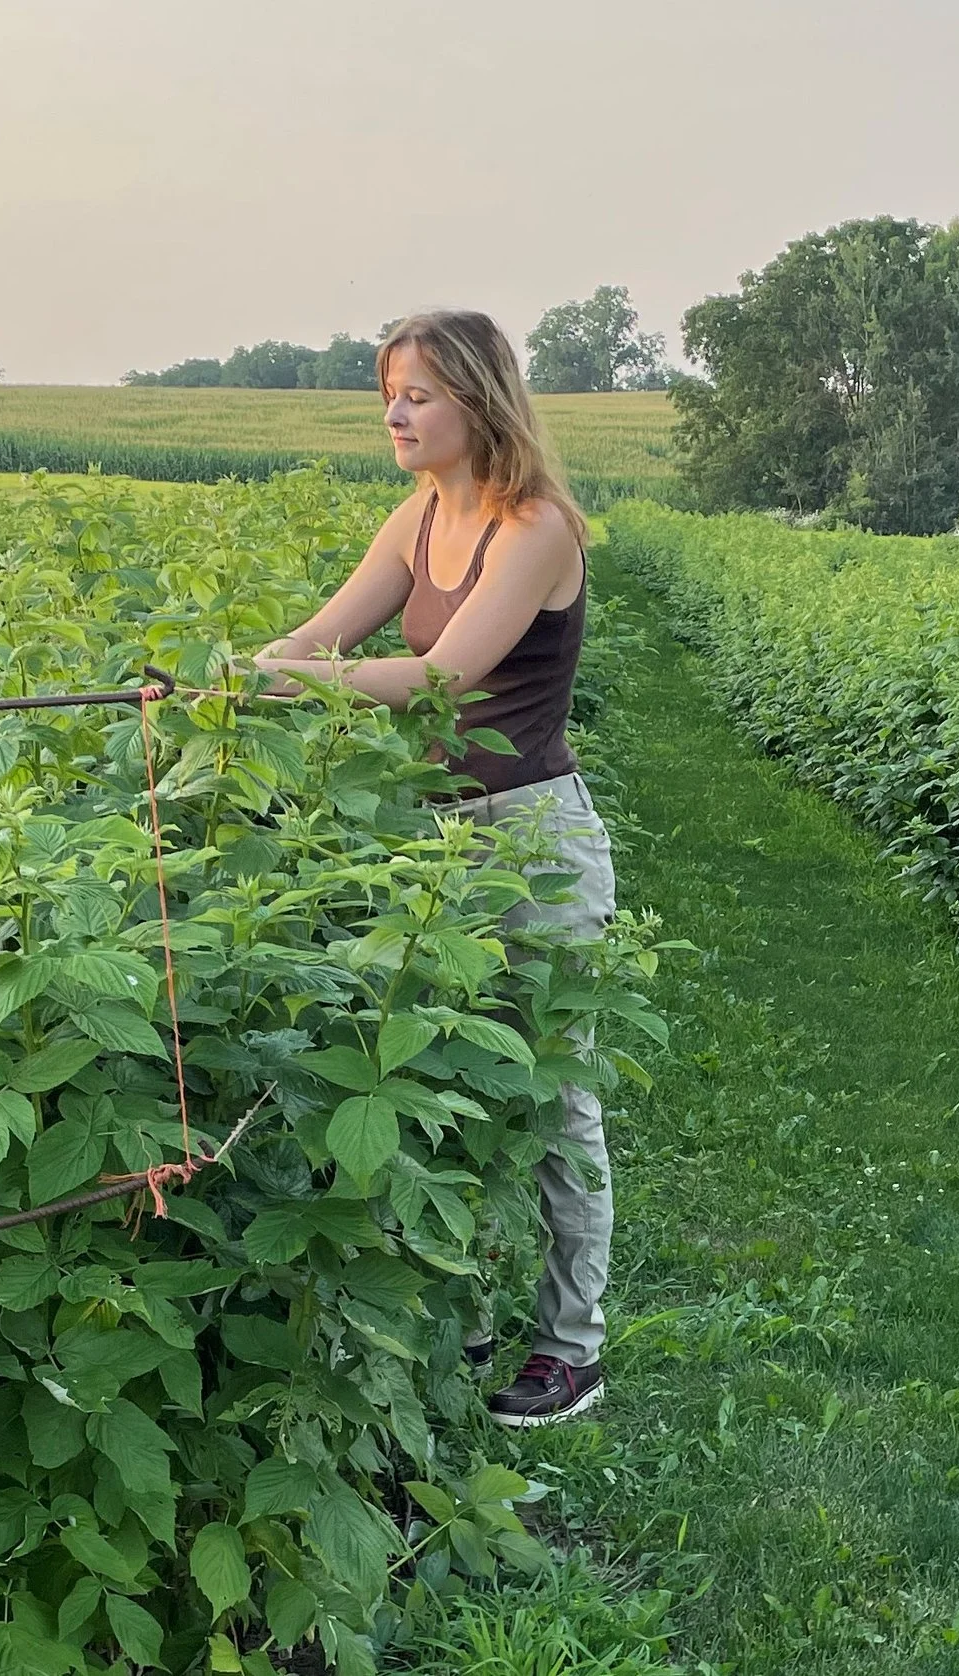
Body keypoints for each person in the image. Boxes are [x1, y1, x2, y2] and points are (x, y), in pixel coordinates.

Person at [251, 310, 613, 1427]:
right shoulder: (415, 518)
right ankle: (460, 1308)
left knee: (552, 1092)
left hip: (531, 843)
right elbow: (320, 638)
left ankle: (570, 1345)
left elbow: (441, 676)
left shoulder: (536, 527)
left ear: (477, 400)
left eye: (417, 395)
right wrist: (239, 676)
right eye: (389, 396)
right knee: (436, 1080)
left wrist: (287, 682)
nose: (396, 416)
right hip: (428, 841)